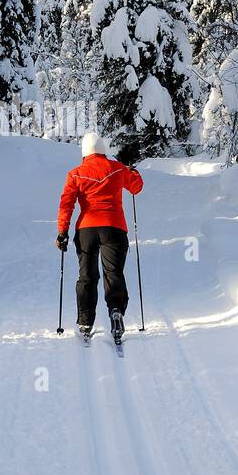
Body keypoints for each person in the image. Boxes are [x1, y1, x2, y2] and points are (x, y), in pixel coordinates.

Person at [56, 132, 143, 341]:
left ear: (85, 153)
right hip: (114, 228)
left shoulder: (75, 173)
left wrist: (62, 233)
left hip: (86, 230)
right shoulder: (117, 168)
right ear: (103, 150)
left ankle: (85, 321)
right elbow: (136, 187)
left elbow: (66, 204)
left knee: (87, 276)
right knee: (113, 273)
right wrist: (133, 171)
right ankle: (116, 310)